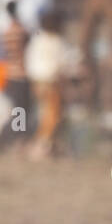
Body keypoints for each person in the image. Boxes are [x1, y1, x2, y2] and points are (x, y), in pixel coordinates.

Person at [24, 9, 77, 159]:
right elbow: (66, 62)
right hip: (51, 83)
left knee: (45, 114)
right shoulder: (57, 42)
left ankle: (50, 146)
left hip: (37, 82)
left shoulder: (37, 40)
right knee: (52, 116)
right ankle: (41, 146)